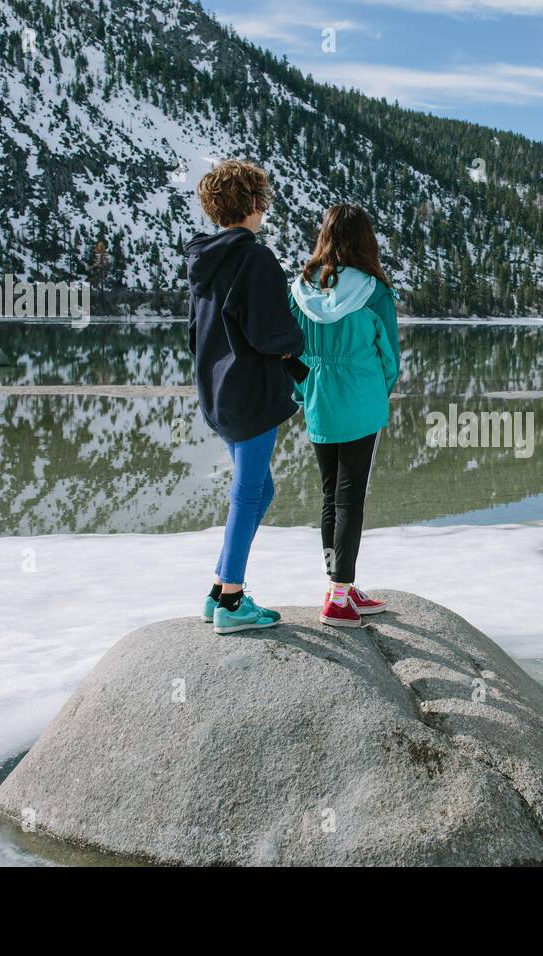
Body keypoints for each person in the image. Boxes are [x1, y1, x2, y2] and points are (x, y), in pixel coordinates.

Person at [186, 159, 304, 634]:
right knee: (248, 491)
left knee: (260, 489)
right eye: (263, 200)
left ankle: (219, 590)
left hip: (217, 392)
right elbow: (271, 333)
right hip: (251, 393)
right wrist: (297, 345)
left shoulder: (202, 259)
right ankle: (232, 601)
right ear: (255, 203)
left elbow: (194, 333)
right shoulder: (255, 258)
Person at [289, 204, 400, 627]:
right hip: (361, 399)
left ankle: (341, 585)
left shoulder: (300, 288)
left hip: (320, 399)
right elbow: (389, 357)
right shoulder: (374, 292)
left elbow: (290, 352)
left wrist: (306, 391)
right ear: (365, 241)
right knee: (351, 496)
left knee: (330, 494)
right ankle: (339, 596)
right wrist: (378, 393)